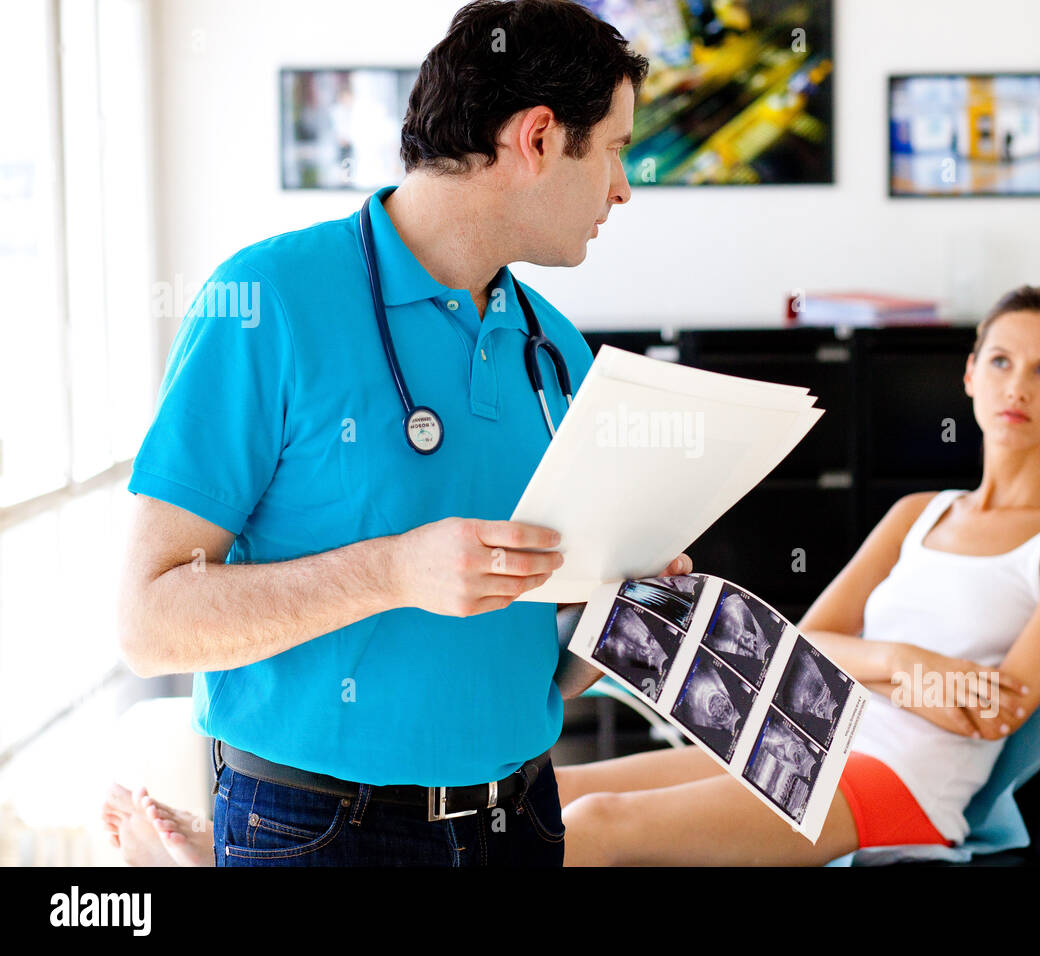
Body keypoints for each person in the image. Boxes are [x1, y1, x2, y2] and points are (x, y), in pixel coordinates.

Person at [106, 284, 1040, 867]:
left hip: (904, 781)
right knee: (547, 785)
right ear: (967, 373)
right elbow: (812, 640)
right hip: (816, 731)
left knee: (590, 824)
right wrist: (901, 659)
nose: (1015, 386)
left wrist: (879, 669)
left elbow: (1001, 706)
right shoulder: (917, 514)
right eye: (998, 360)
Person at [115, 0, 685, 867]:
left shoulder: (556, 349)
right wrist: (392, 572)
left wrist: (627, 613)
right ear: (536, 138)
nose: (623, 186)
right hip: (319, 833)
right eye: (611, 148)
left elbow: (538, 656)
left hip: (522, 819)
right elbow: (148, 620)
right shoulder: (268, 302)